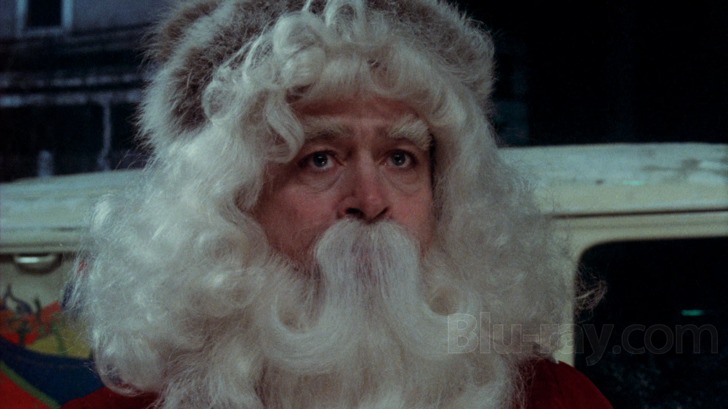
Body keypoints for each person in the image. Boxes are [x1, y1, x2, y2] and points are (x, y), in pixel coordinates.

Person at [63, 0, 611, 408]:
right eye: (319, 159)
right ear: (229, 204)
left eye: (400, 158)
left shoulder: (553, 400)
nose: (370, 201)